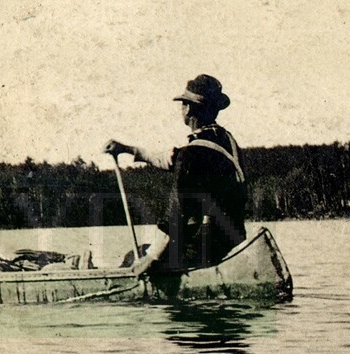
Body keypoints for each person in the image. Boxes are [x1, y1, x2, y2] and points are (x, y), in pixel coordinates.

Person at [105, 74, 246, 276]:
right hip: (233, 243)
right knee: (145, 252)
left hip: (207, 248)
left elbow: (176, 214)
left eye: (183, 105)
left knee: (136, 256)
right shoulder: (224, 141)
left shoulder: (193, 154)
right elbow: (170, 158)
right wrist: (127, 149)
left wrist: (151, 258)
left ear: (188, 109)